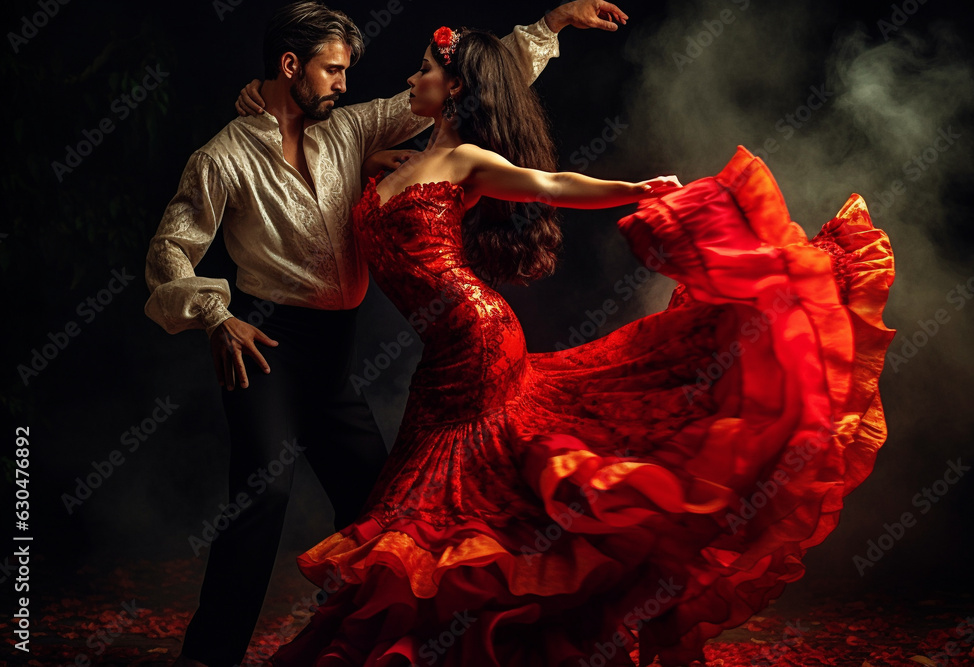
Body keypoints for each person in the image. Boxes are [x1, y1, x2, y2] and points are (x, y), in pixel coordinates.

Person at [264, 26, 895, 667]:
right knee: (443, 506)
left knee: (453, 506)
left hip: (479, 337)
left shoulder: (466, 163)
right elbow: (319, 146)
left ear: (454, 86)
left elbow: (552, 184)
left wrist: (635, 192)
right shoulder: (396, 160)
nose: (409, 80)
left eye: (421, 70)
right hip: (446, 351)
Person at [143, 2, 629, 666]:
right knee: (264, 493)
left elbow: (472, 80)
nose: (345, 84)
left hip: (333, 353)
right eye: (334, 70)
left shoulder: (350, 130)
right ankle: (209, 655)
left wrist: (551, 27)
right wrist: (215, 315)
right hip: (266, 343)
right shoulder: (222, 157)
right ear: (291, 66)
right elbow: (170, 251)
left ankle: (387, 648)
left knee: (381, 506)